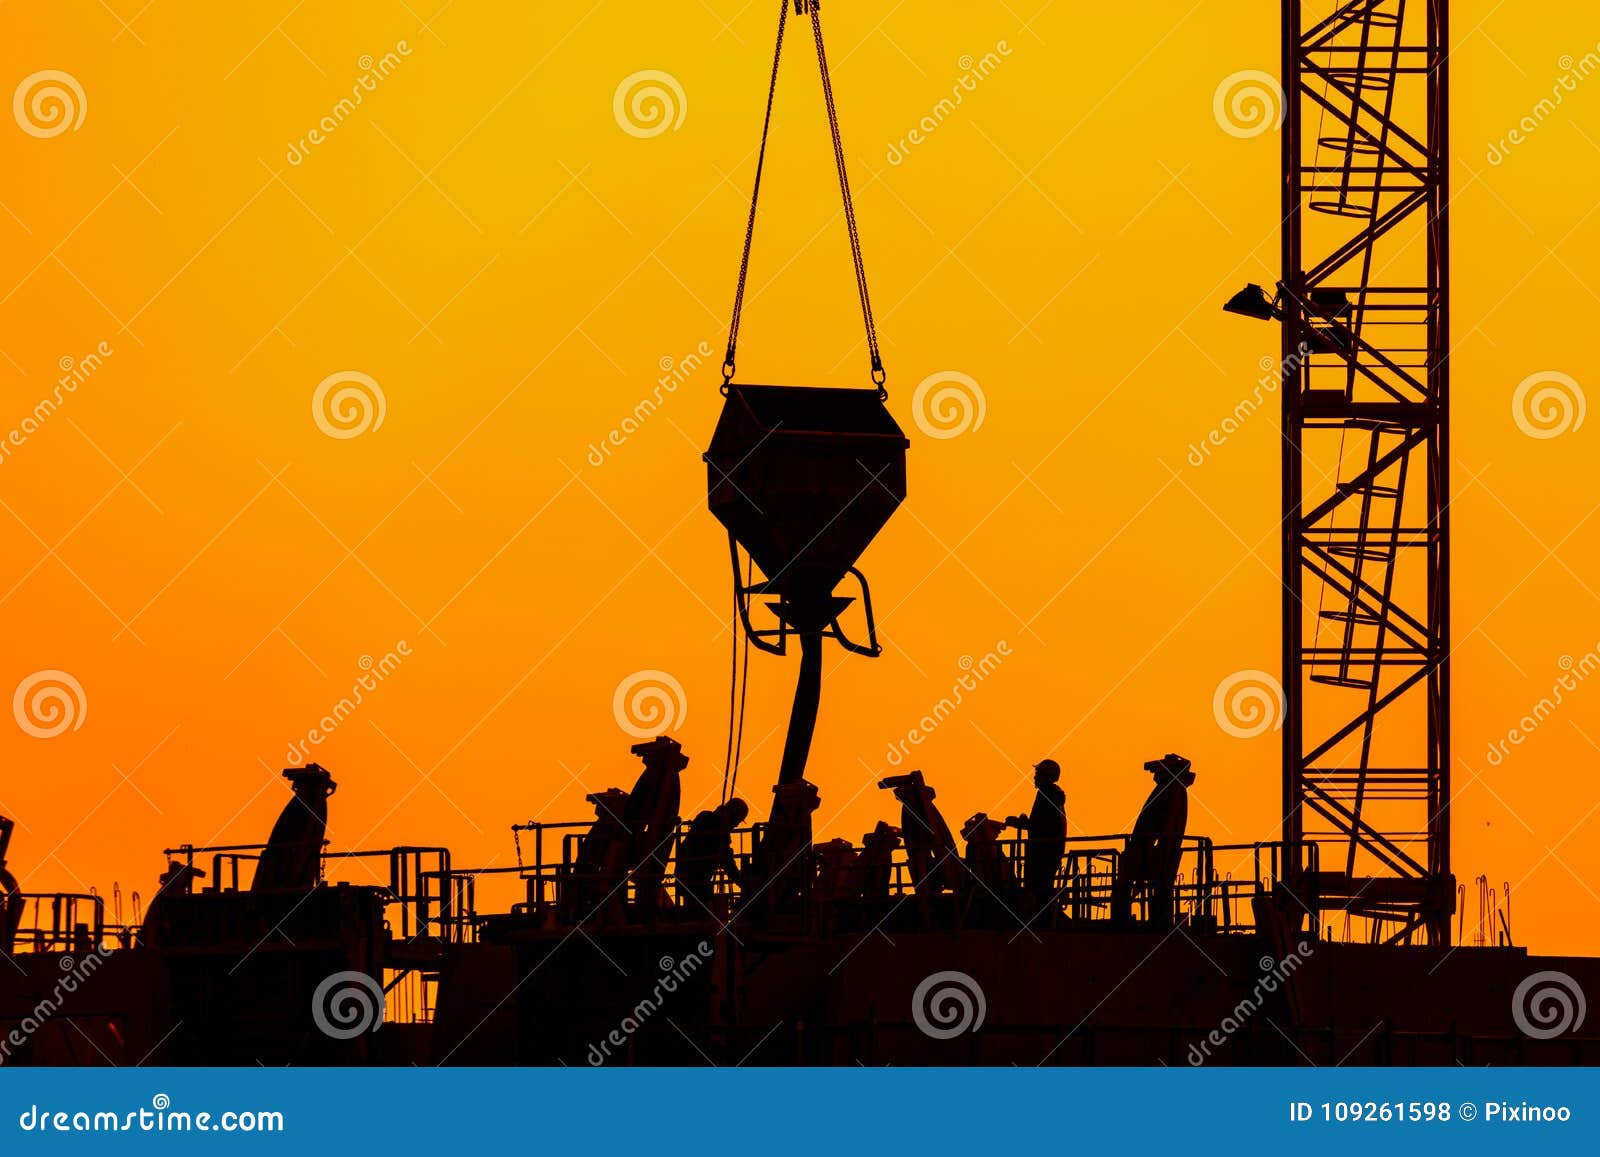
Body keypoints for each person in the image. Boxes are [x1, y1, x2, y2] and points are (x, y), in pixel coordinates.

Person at [1112, 753, 1195, 925]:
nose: (1155, 775)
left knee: (1126, 887)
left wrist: (1150, 853)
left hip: (1150, 851)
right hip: (1149, 849)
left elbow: (1165, 827)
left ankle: (1124, 922)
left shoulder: (1171, 791)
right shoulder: (1171, 790)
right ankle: (1149, 920)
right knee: (1147, 888)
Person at [621, 736, 687, 917]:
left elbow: (635, 814)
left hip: (652, 841)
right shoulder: (663, 780)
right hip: (652, 842)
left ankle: (646, 899)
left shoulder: (658, 780)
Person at [1008, 758, 1067, 917]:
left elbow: (1040, 825)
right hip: (1049, 852)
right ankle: (1045, 914)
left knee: (1037, 888)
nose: (1034, 777)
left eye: (1037, 774)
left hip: (1042, 853)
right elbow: (1044, 823)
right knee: (1043, 888)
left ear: (1046, 776)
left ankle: (1040, 916)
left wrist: (1020, 823)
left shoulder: (1045, 795)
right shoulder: (1054, 796)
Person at [676, 797, 748, 915]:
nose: (735, 826)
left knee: (696, 907)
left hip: (687, 876)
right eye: (737, 822)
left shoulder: (705, 818)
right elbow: (727, 860)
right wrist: (742, 882)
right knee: (702, 911)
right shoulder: (717, 828)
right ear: (733, 817)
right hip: (696, 879)